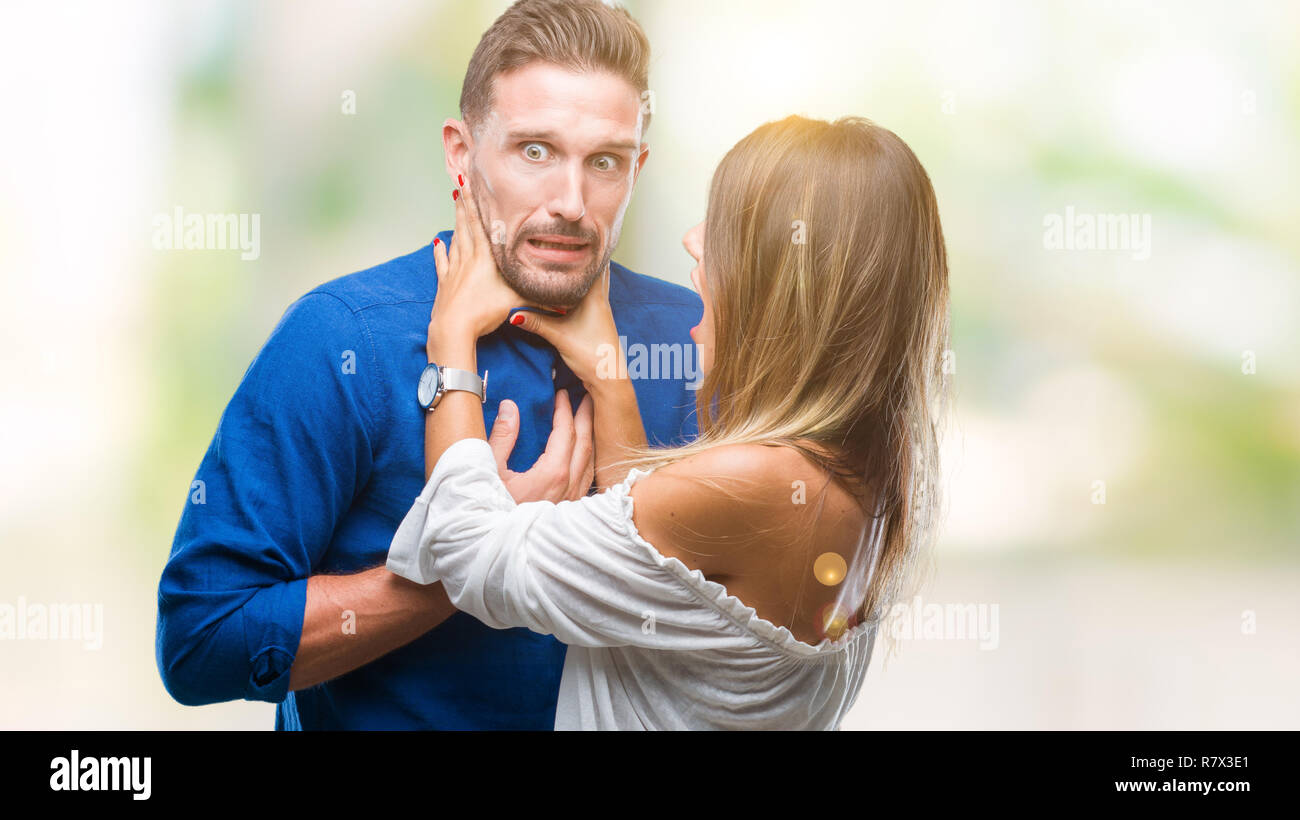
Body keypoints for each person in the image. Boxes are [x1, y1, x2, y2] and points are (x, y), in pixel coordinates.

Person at [155, 0, 703, 729]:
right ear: (460, 153)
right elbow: (202, 640)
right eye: (535, 151)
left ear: (637, 167)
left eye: (604, 161)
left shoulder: (696, 341)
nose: (571, 203)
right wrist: (477, 558)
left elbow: (736, 633)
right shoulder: (341, 338)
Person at [386, 113, 952, 729]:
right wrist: (608, 374)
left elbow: (465, 553)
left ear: (786, 285)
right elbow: (660, 571)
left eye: (727, 230)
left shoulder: (756, 482)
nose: (693, 238)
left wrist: (452, 337)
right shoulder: (868, 472)